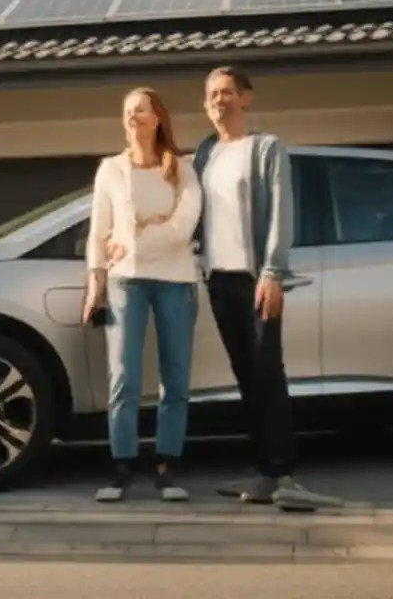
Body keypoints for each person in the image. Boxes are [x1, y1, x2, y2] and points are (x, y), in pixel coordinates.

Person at [190, 66, 342, 512]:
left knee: (266, 373)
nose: (219, 101)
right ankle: (261, 470)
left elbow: (280, 211)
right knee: (244, 375)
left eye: (227, 93)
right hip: (219, 280)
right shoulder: (205, 153)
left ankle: (283, 472)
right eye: (212, 95)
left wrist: (273, 272)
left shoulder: (266, 148)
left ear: (246, 99)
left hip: (257, 279)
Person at [82, 87, 203, 503]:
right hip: (125, 282)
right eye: (127, 111)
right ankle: (121, 469)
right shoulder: (110, 170)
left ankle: (167, 468)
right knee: (124, 377)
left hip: (176, 280)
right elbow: (99, 232)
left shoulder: (182, 169)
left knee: (175, 378)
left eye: (140, 109)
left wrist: (132, 238)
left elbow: (182, 228)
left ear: (157, 117)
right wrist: (95, 281)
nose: (133, 116)